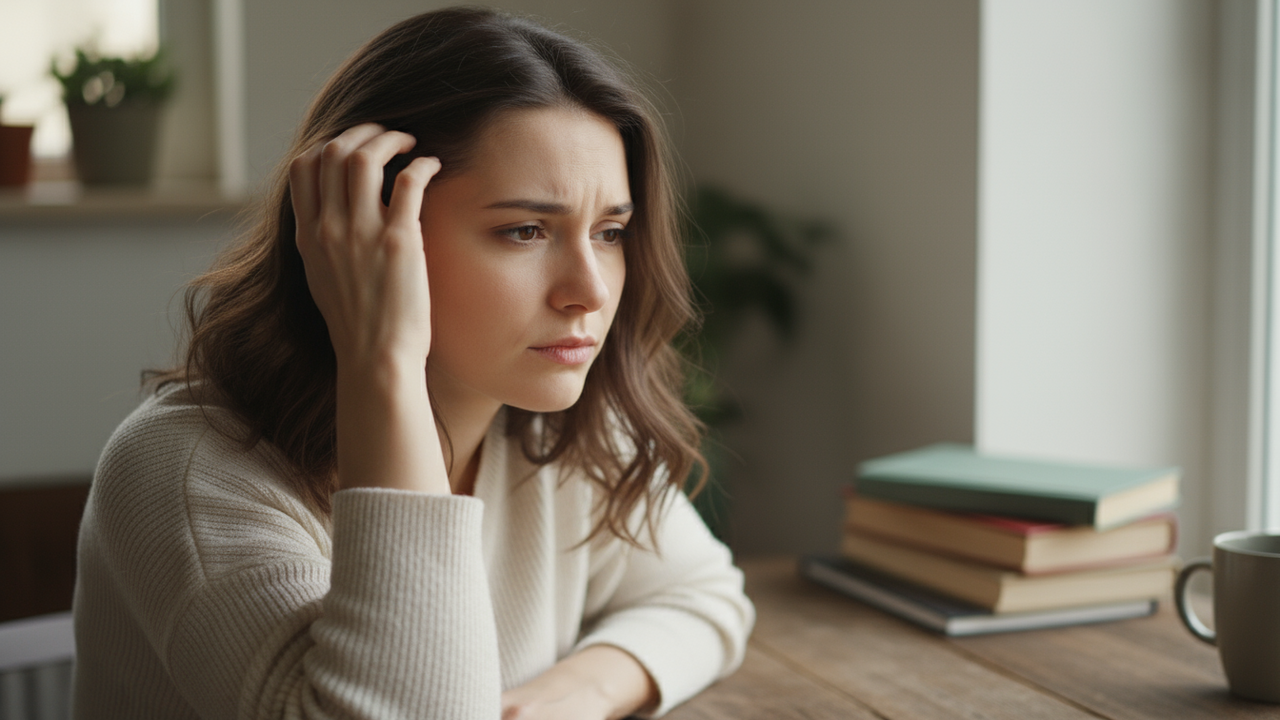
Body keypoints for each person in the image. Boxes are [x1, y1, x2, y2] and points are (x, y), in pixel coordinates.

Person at [71, 7, 754, 720]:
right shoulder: (189, 473)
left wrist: (564, 699)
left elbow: (701, 594)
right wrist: (384, 362)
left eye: (611, 231)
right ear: (359, 230)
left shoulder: (554, 423)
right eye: (524, 230)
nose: (589, 290)